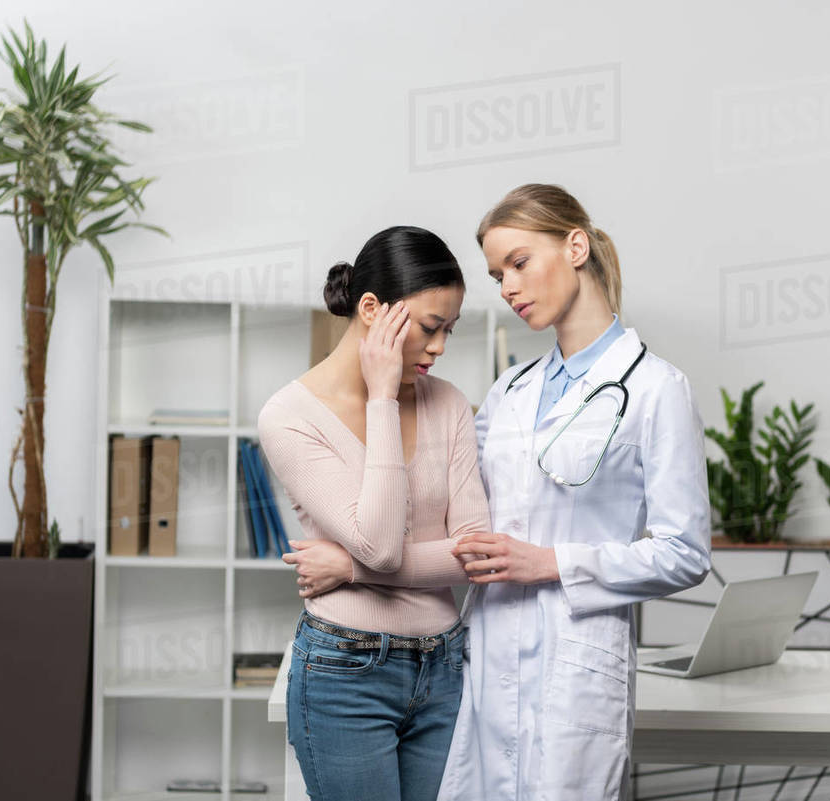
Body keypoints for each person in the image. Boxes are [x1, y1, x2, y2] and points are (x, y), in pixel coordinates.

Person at [287, 184, 713, 801]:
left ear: (575, 246)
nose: (508, 287)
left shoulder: (655, 389)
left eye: (518, 263)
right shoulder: (509, 390)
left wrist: (550, 563)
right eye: (496, 273)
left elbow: (684, 552)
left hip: (579, 660)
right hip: (479, 658)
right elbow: (443, 522)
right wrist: (357, 558)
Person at [256, 225, 493, 801]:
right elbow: (381, 540)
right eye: (430, 327)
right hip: (344, 675)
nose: (439, 348)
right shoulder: (289, 416)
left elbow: (475, 554)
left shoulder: (450, 403)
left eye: (449, 331)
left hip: (445, 670)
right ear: (371, 310)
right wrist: (383, 397)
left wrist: (352, 569)